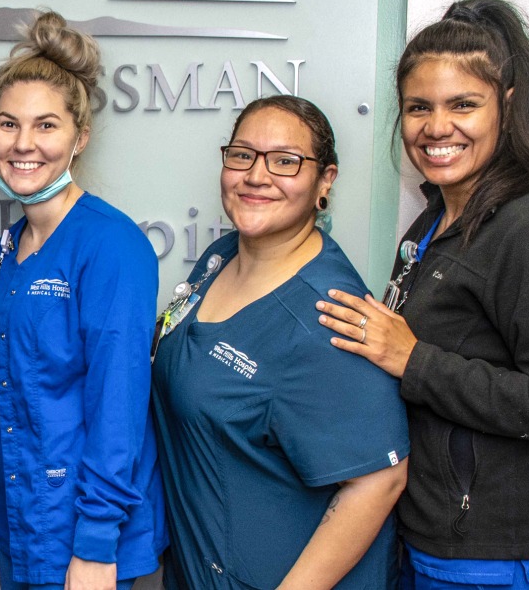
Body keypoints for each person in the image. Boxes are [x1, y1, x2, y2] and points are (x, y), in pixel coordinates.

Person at [317, 0, 529, 589]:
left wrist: (415, 359)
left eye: (463, 104)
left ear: (506, 109)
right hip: (430, 537)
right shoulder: (435, 216)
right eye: (419, 108)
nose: (437, 128)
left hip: (498, 556)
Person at [151, 95, 410, 589]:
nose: (256, 175)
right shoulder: (220, 257)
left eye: (285, 161)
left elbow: (381, 480)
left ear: (324, 181)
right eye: (242, 155)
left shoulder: (330, 313)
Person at [0, 11, 167, 590]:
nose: (23, 144)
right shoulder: (14, 246)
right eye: (7, 124)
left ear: (80, 136)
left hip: (79, 527)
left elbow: (119, 405)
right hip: (21, 510)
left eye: (46, 126)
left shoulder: (112, 246)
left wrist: (96, 543)